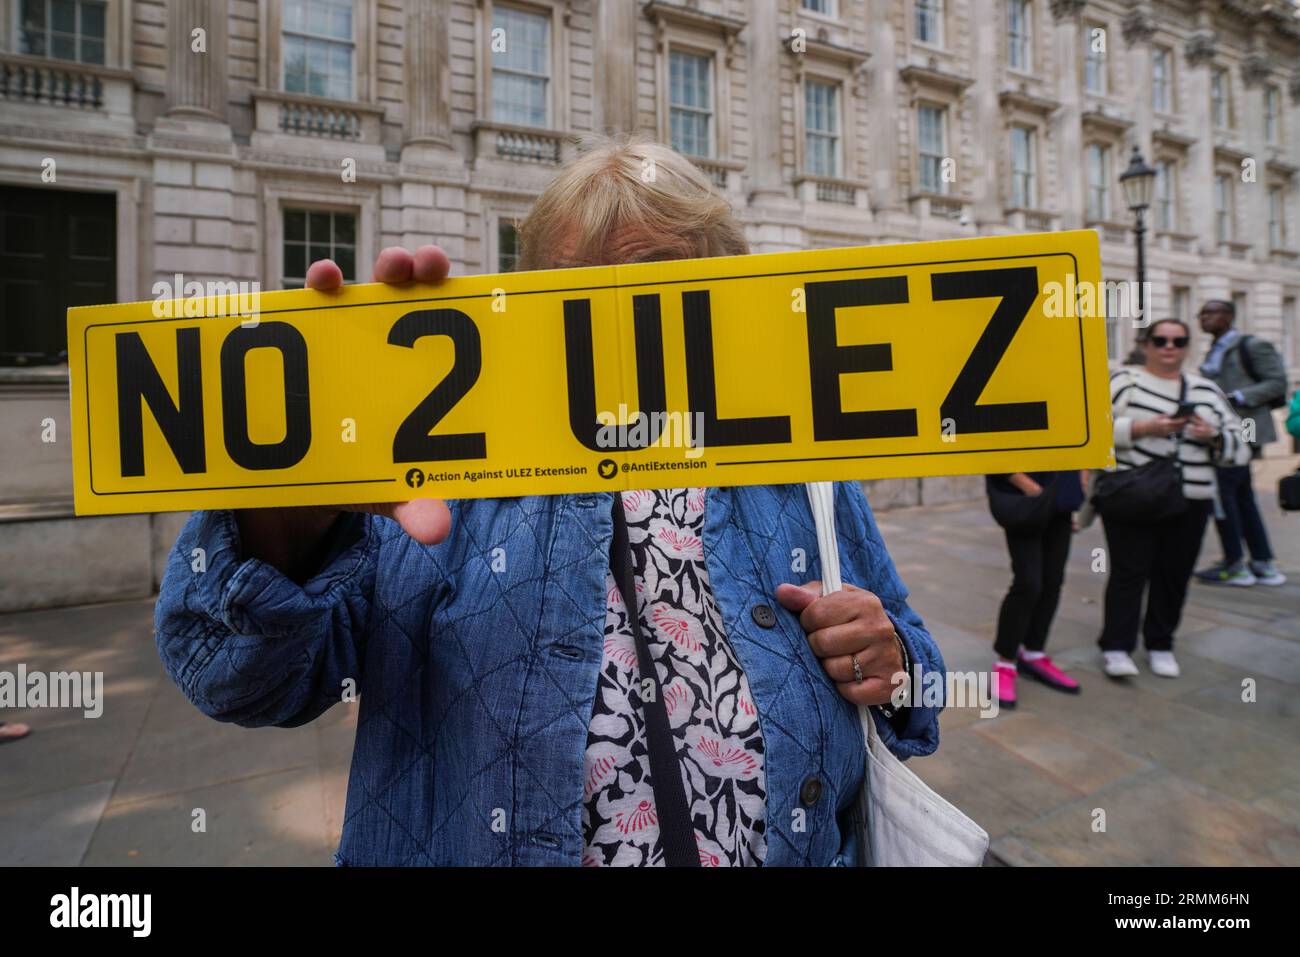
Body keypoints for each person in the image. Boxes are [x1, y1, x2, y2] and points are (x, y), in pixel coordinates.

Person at [153, 136, 945, 867]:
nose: (619, 321)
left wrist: (895, 661)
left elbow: (912, 657)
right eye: (579, 293)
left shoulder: (797, 464)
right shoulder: (439, 476)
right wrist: (291, 517)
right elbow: (239, 681)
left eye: (660, 281)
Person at [1082, 319, 1248, 679]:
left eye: (1178, 340)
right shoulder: (1124, 382)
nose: (1168, 347)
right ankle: (1116, 646)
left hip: (1190, 498)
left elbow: (1240, 446)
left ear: (1188, 345)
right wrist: (1143, 428)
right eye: (1160, 340)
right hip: (1132, 494)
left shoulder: (1205, 390)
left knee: (1174, 574)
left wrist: (1213, 436)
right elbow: (1091, 430)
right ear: (1146, 344)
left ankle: (1160, 643)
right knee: (1128, 572)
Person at [1192, 299, 1289, 586]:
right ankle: (1260, 562)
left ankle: (1236, 563)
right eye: (1202, 313)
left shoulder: (1252, 346)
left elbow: (1276, 382)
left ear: (1229, 316)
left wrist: (1237, 398)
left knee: (1224, 492)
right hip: (1222, 427)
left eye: (1210, 313)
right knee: (1241, 494)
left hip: (1245, 426)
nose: (1204, 318)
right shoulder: (1215, 349)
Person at [989, 471, 1086, 708]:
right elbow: (989, 446)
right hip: (1023, 497)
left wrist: (1080, 482)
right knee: (1028, 582)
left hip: (1061, 495)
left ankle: (1033, 652)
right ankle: (1005, 661)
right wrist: (1029, 486)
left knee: (1053, 580)